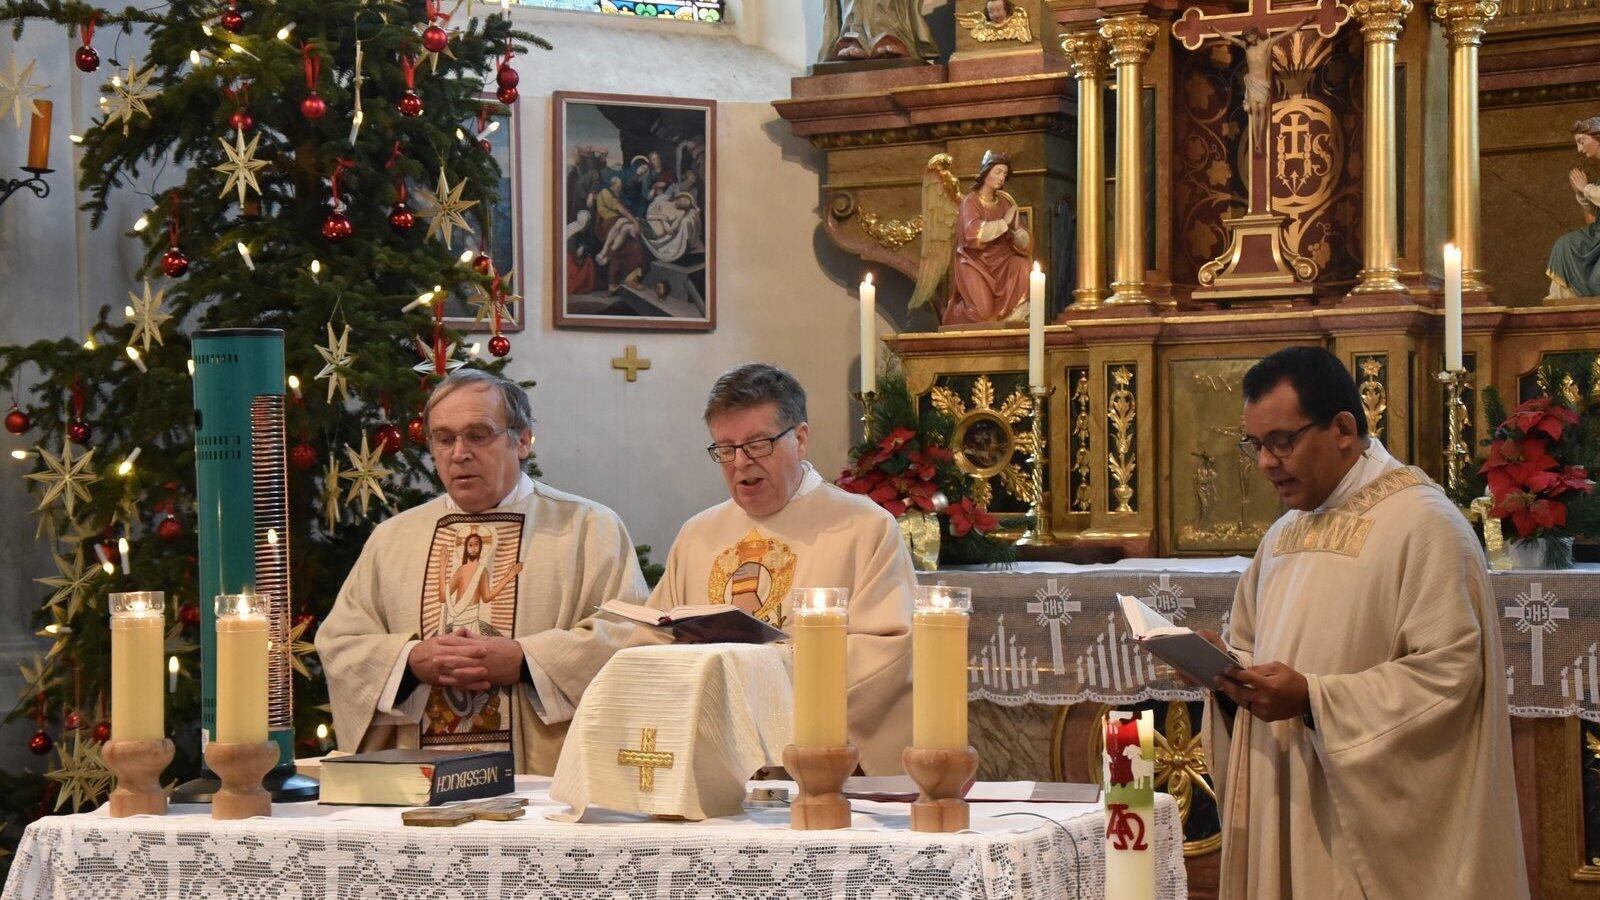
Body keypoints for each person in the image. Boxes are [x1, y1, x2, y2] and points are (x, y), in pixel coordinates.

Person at [1198, 347, 1527, 899]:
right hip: (1291, 794)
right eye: (1254, 445)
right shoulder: (1283, 535)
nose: (1265, 463)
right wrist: (1227, 672)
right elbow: (1252, 647)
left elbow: (1449, 678)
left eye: (1282, 441)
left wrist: (1315, 700)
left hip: (1369, 832)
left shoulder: (1425, 525)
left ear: (1344, 428)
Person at [317, 369, 657, 774]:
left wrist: (526, 661)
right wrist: (410, 660)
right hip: (416, 783)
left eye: (478, 434)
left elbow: (629, 637)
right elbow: (341, 644)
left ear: (524, 439)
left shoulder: (587, 526)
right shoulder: (393, 538)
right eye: (444, 438)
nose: (459, 452)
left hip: (546, 783)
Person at [646, 363, 914, 774]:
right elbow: (649, 641)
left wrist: (760, 673)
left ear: (800, 438)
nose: (740, 462)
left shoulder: (864, 527)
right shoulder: (698, 535)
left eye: (758, 444)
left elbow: (888, 653)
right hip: (713, 762)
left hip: (822, 765)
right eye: (725, 448)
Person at [942, 150, 1032, 325]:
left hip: (1000, 261)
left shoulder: (1005, 203)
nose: (1001, 178)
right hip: (974, 262)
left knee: (1022, 264)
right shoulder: (971, 201)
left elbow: (1025, 244)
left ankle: (1011, 314)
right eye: (997, 172)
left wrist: (1015, 231)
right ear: (986, 172)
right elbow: (972, 234)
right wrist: (1003, 224)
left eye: (1004, 174)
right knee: (983, 314)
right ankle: (954, 313)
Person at [1546, 117, 1600, 299]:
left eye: (1582, 142)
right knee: (1565, 244)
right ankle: (1562, 302)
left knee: (1595, 282)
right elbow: (1593, 218)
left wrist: (1586, 188)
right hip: (1597, 234)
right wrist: (1582, 195)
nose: (1580, 149)